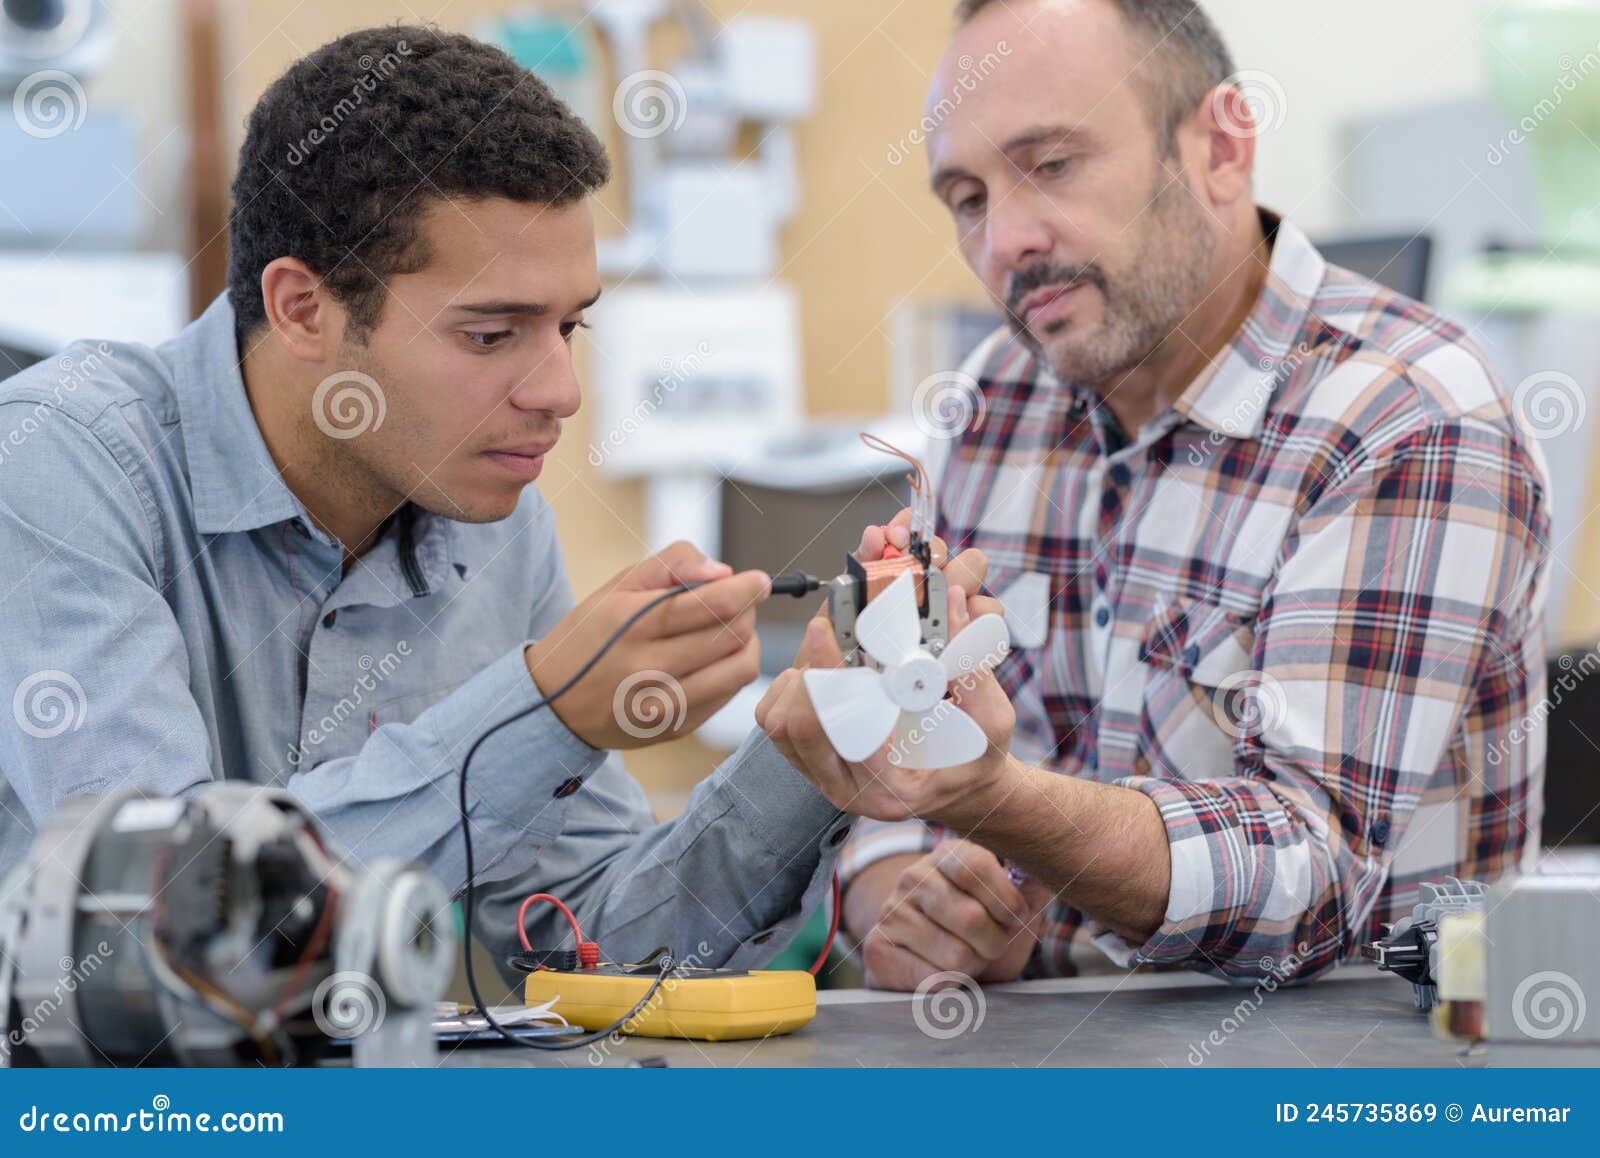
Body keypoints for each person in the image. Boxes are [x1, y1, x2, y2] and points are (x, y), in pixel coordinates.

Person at [0, 27, 854, 981]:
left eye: (568, 325)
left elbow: (594, 942)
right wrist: (546, 711)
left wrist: (811, 752)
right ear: (302, 310)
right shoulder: (56, 463)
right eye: (491, 335)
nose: (561, 392)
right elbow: (171, 919)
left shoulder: (493, 521)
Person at [759, 0, 1550, 989]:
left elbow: (1315, 874)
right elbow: (911, 770)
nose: (1005, 239)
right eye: (966, 198)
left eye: (1049, 164)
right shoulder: (993, 403)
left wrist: (999, 805)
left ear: (1220, 147)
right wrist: (912, 902)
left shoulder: (1408, 416)